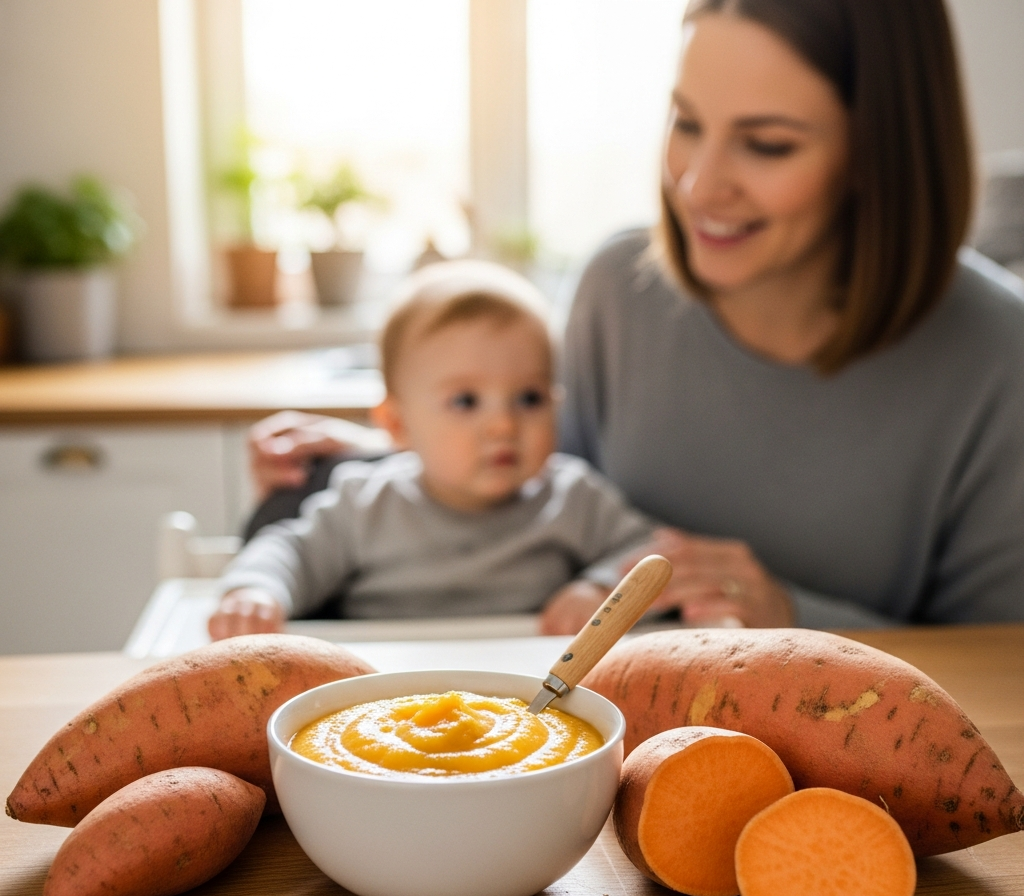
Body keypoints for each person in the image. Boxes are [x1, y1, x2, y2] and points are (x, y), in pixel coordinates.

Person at [246, 0, 1024, 629]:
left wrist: (794, 618)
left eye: (767, 145)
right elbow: (537, 498)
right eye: (687, 124)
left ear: (878, 152)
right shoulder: (620, 289)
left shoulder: (998, 354)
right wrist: (377, 456)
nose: (697, 186)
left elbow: (1003, 669)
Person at [208, 262, 656, 640]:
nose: (503, 424)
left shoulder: (572, 498)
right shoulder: (367, 503)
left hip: (530, 699)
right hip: (384, 702)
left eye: (529, 399)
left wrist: (599, 591)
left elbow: (649, 555)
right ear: (398, 425)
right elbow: (290, 551)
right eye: (465, 401)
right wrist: (254, 592)